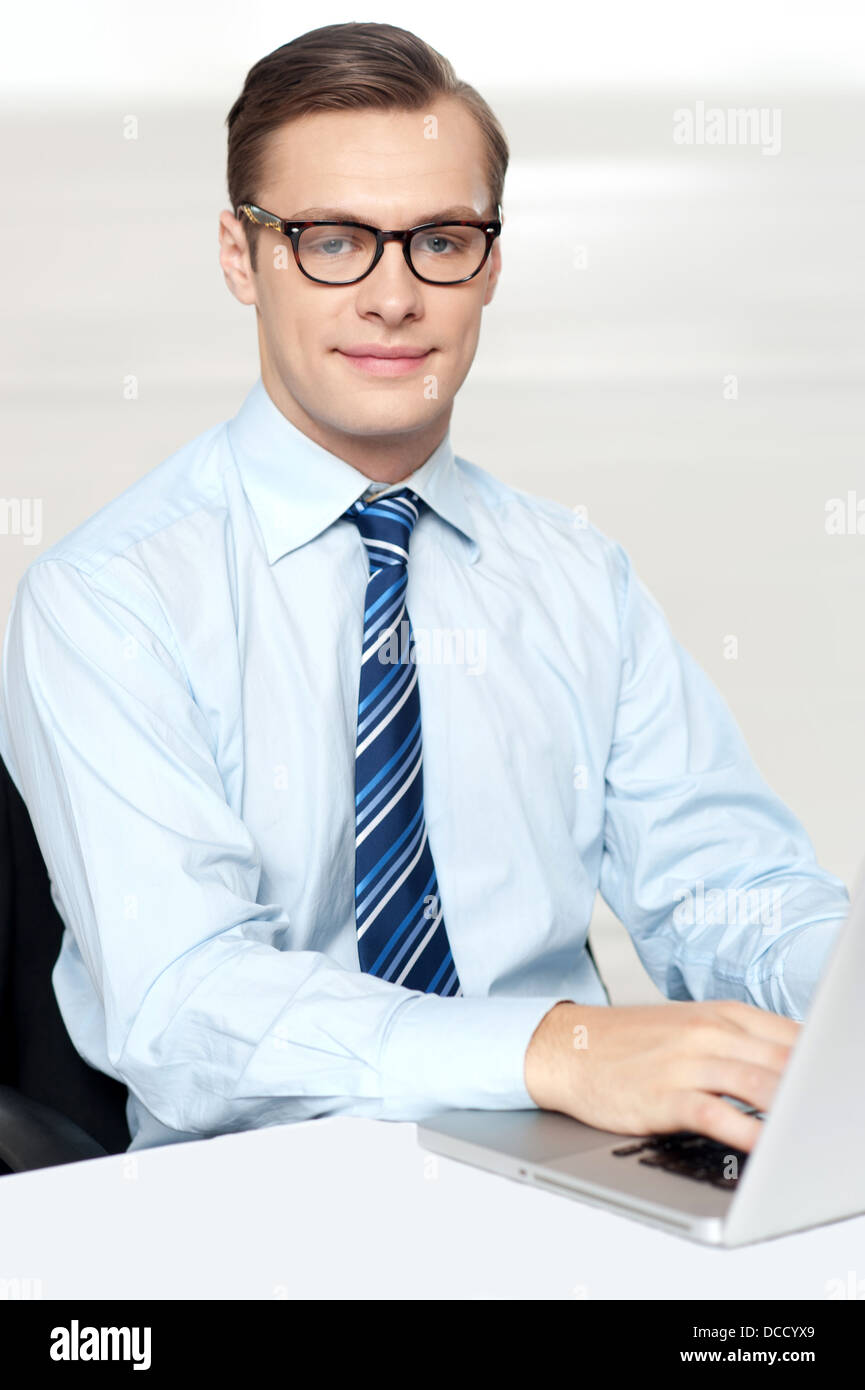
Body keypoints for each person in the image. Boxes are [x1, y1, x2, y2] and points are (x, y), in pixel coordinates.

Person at [0, 22, 849, 1155]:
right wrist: (560, 1047)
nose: (393, 297)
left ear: (490, 263)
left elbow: (724, 888)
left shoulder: (576, 577)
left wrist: (838, 988)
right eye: (333, 240)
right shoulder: (109, 596)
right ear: (239, 256)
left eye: (440, 240)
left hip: (579, 1159)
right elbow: (185, 1002)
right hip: (256, 1196)